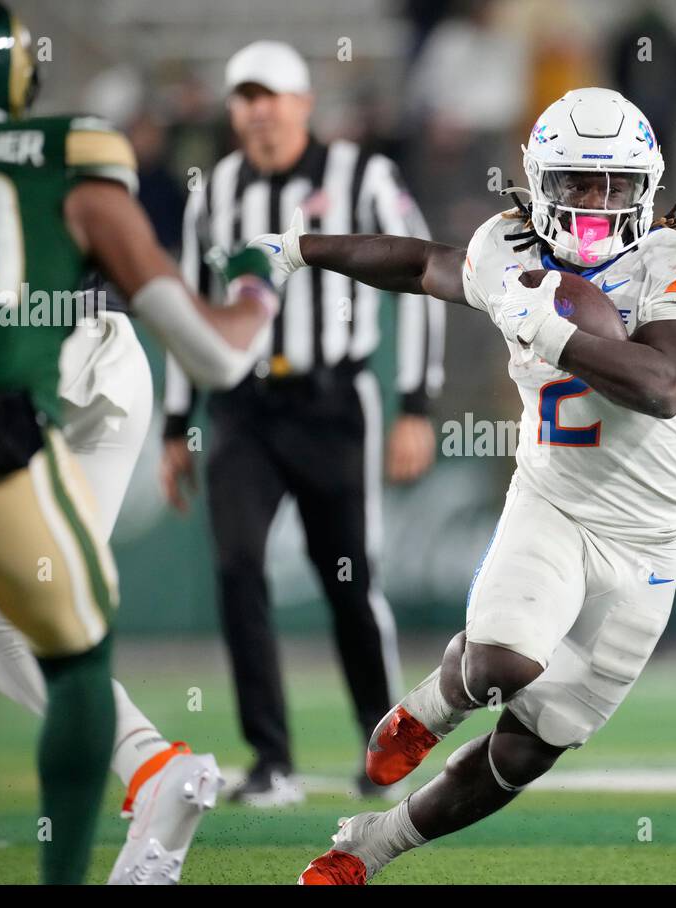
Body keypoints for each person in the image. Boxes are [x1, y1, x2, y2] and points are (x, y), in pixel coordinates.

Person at [252, 87, 676, 883]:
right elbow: (420, 263)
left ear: (646, 189)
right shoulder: (506, 249)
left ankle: (372, 846)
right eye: (577, 182)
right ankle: (433, 704)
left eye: (613, 185)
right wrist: (301, 248)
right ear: (539, 182)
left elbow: (663, 386)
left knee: (528, 748)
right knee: (505, 661)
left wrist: (549, 327)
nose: (595, 203)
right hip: (552, 505)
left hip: (651, 542)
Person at [0, 0, 275, 884]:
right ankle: (149, 775)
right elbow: (220, 350)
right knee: (17, 637)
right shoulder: (55, 153)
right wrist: (258, 281)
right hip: (68, 374)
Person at [161, 41, 445, 805]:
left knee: (349, 576)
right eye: (244, 97)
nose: (258, 111)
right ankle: (271, 759)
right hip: (244, 409)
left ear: (303, 103)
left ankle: (384, 746)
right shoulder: (215, 189)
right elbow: (186, 307)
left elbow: (423, 273)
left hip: (332, 406)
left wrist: (417, 403)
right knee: (237, 569)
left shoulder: (363, 176)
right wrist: (174, 424)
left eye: (271, 96)